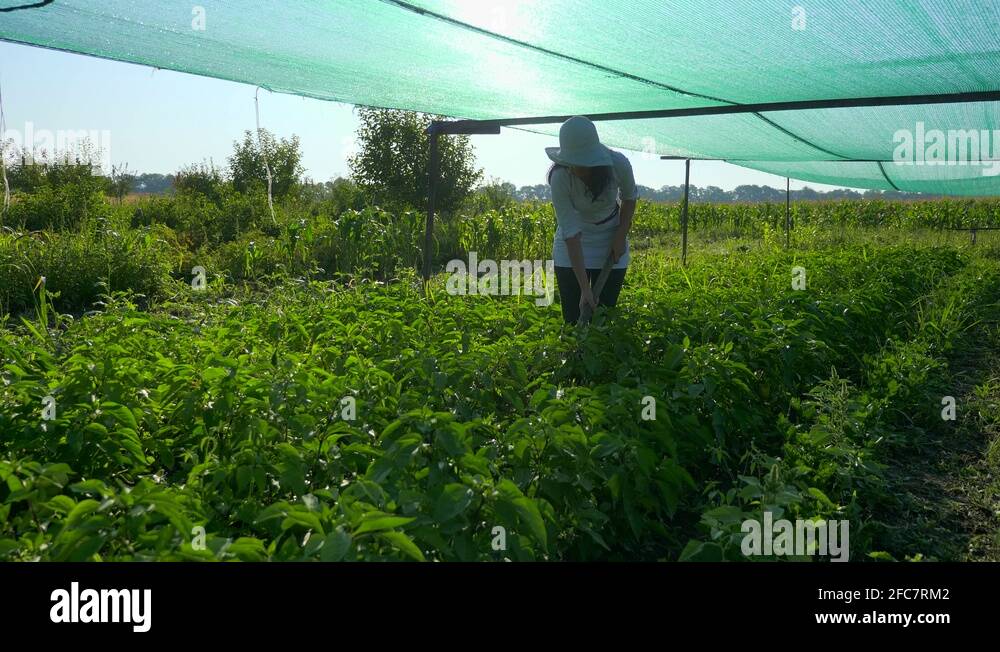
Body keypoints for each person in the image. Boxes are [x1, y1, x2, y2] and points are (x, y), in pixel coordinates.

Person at [546, 115, 638, 324]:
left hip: (610, 235)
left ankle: (601, 354)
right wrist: (585, 290)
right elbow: (570, 233)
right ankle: (573, 354)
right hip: (572, 244)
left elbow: (630, 197)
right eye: (571, 162)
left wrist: (620, 235)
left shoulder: (618, 164)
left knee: (603, 317)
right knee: (573, 317)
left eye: (581, 162)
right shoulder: (560, 177)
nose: (575, 168)